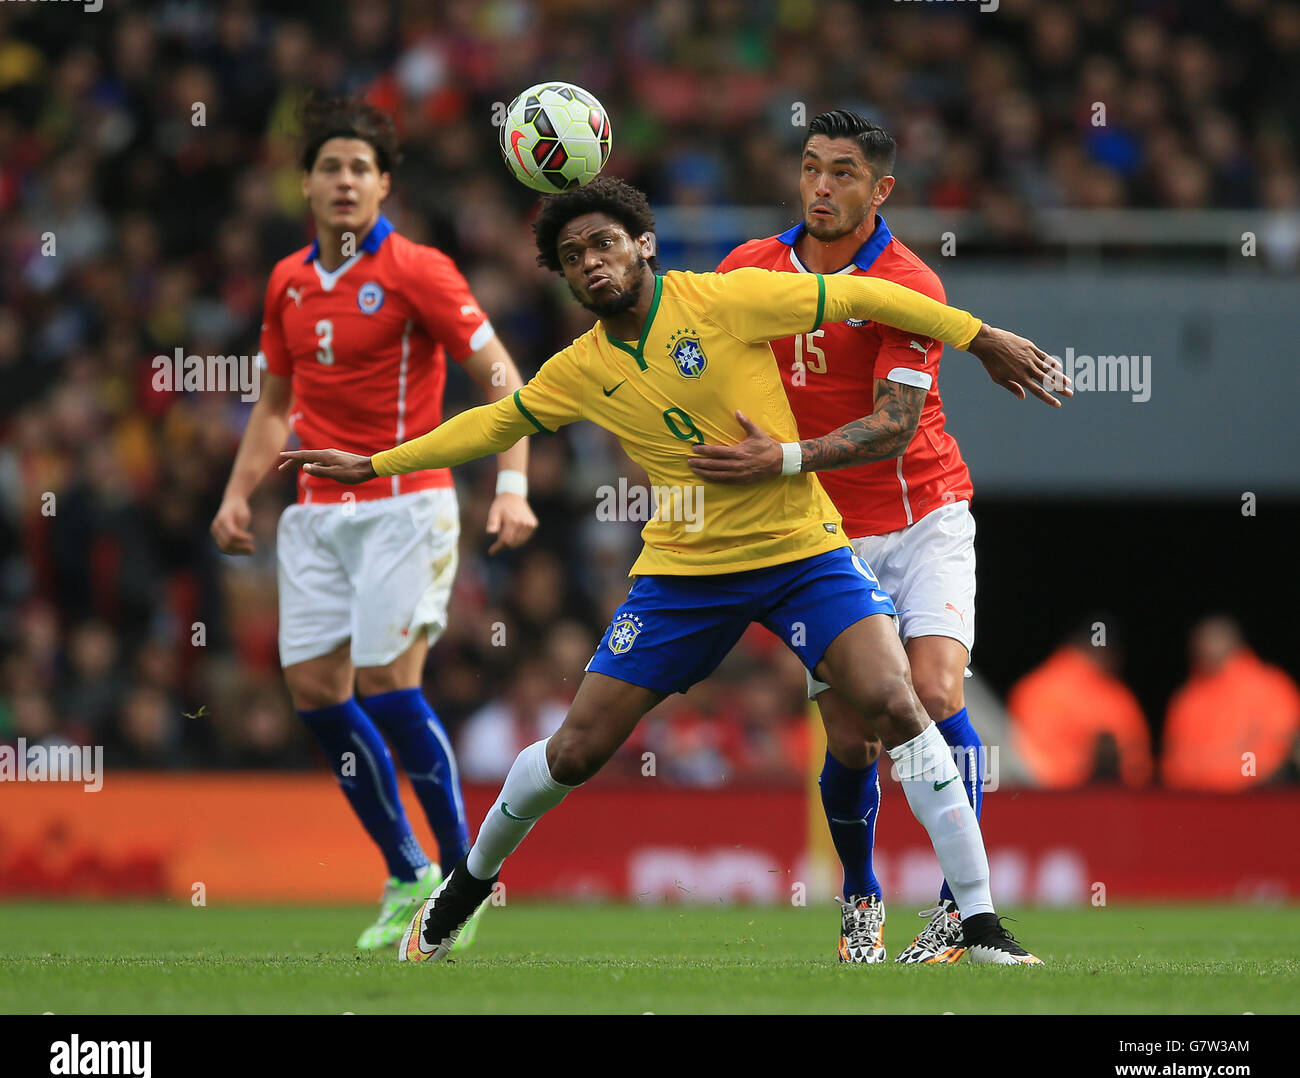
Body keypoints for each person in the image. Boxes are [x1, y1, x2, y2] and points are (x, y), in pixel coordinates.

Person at [282, 176, 1064, 965]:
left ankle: (980, 927)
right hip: (686, 576)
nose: (592, 262)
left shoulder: (726, 300)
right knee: (576, 751)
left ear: (643, 245)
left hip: (803, 552)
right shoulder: (581, 367)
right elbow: (494, 423)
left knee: (900, 704)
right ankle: (460, 893)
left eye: (604, 243)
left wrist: (980, 335)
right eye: (573, 255)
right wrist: (376, 463)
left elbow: (873, 296)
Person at [694, 110, 1058, 963]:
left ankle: (955, 915)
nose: (823, 185)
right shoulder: (748, 268)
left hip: (925, 512)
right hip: (823, 538)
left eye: (845, 172)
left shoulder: (910, 284)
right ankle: (861, 896)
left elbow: (894, 427)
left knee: (931, 699)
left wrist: (779, 457)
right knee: (855, 740)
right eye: (813, 167)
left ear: (881, 188)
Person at [210, 95, 537, 950]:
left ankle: (459, 886)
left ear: (383, 185)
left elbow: (504, 379)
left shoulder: (419, 271)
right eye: (330, 167)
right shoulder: (285, 281)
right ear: (307, 186)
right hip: (316, 515)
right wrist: (238, 493)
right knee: (317, 695)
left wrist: (511, 484)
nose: (345, 180)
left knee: (390, 683)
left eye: (361, 167)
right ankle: (407, 873)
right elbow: (276, 404)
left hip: (407, 503)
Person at [1007, 620, 1153, 789]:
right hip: (1096, 802)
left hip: (1035, 800)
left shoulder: (1032, 687)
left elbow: (1018, 761)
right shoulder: (1115, 697)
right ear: (1109, 653)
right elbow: (1138, 770)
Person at [1161, 617, 1300, 791]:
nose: (1205, 646)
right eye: (1200, 641)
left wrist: (1242, 778)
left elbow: (1275, 748)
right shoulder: (1187, 697)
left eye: (1214, 638)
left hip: (1253, 800)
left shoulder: (1269, 687)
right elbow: (1174, 759)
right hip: (1193, 802)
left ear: (1234, 641)